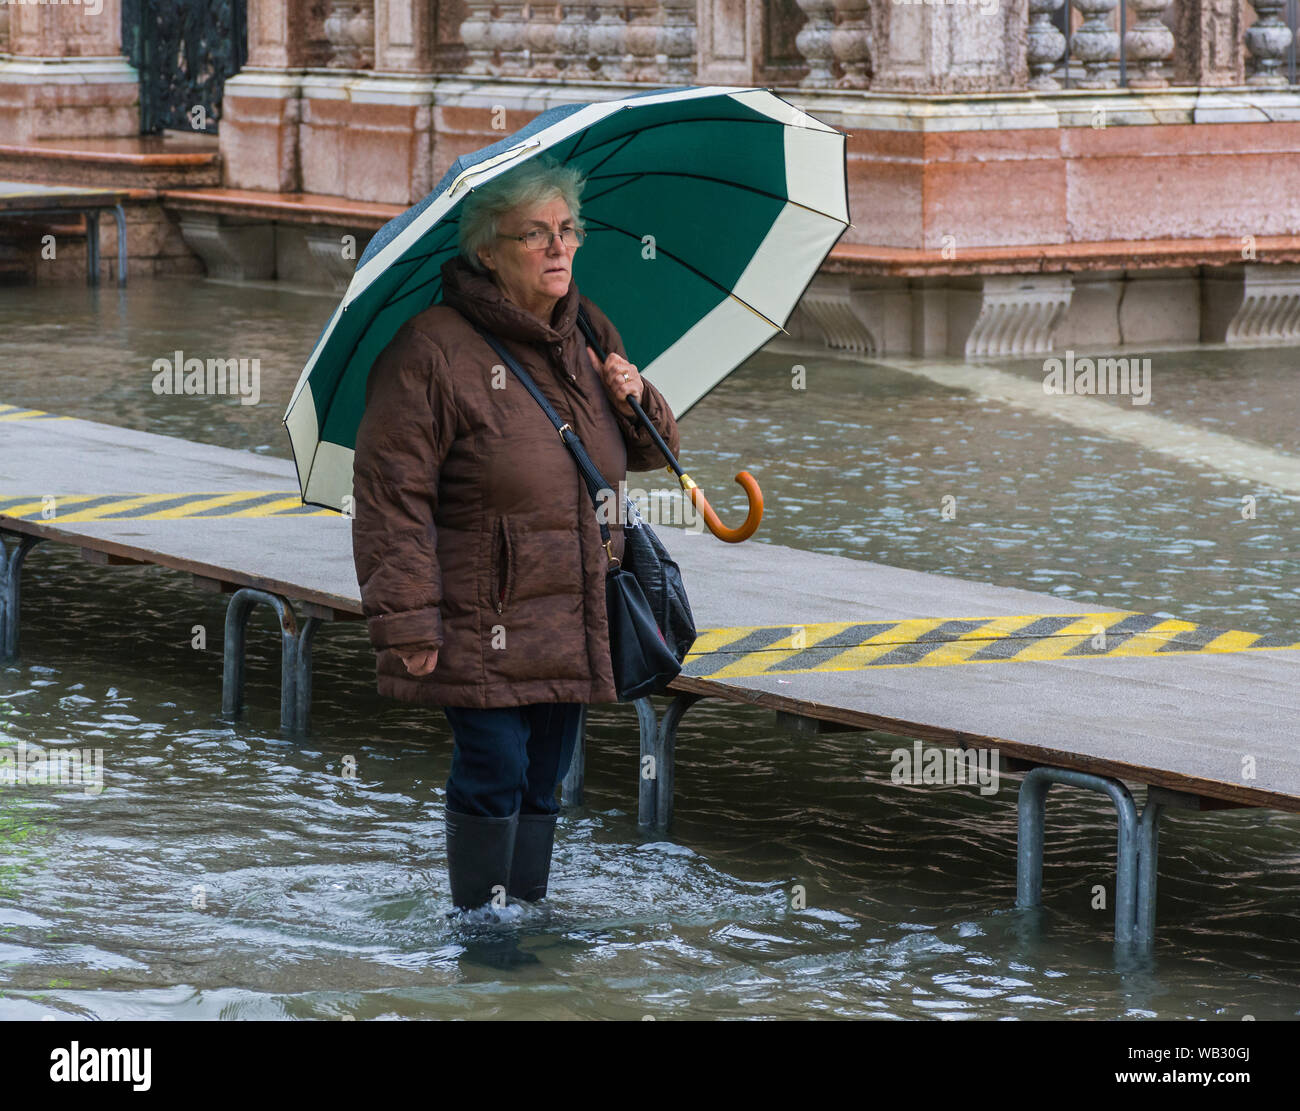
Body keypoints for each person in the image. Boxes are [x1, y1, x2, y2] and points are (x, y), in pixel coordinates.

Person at [350, 155, 680, 917]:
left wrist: (638, 401)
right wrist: (406, 617)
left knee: (545, 773)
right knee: (494, 762)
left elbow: (635, 454)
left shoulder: (589, 331)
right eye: (535, 234)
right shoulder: (430, 350)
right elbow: (389, 494)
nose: (558, 247)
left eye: (567, 229)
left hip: (573, 601)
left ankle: (525, 914)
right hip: (479, 607)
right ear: (487, 251)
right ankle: (480, 928)